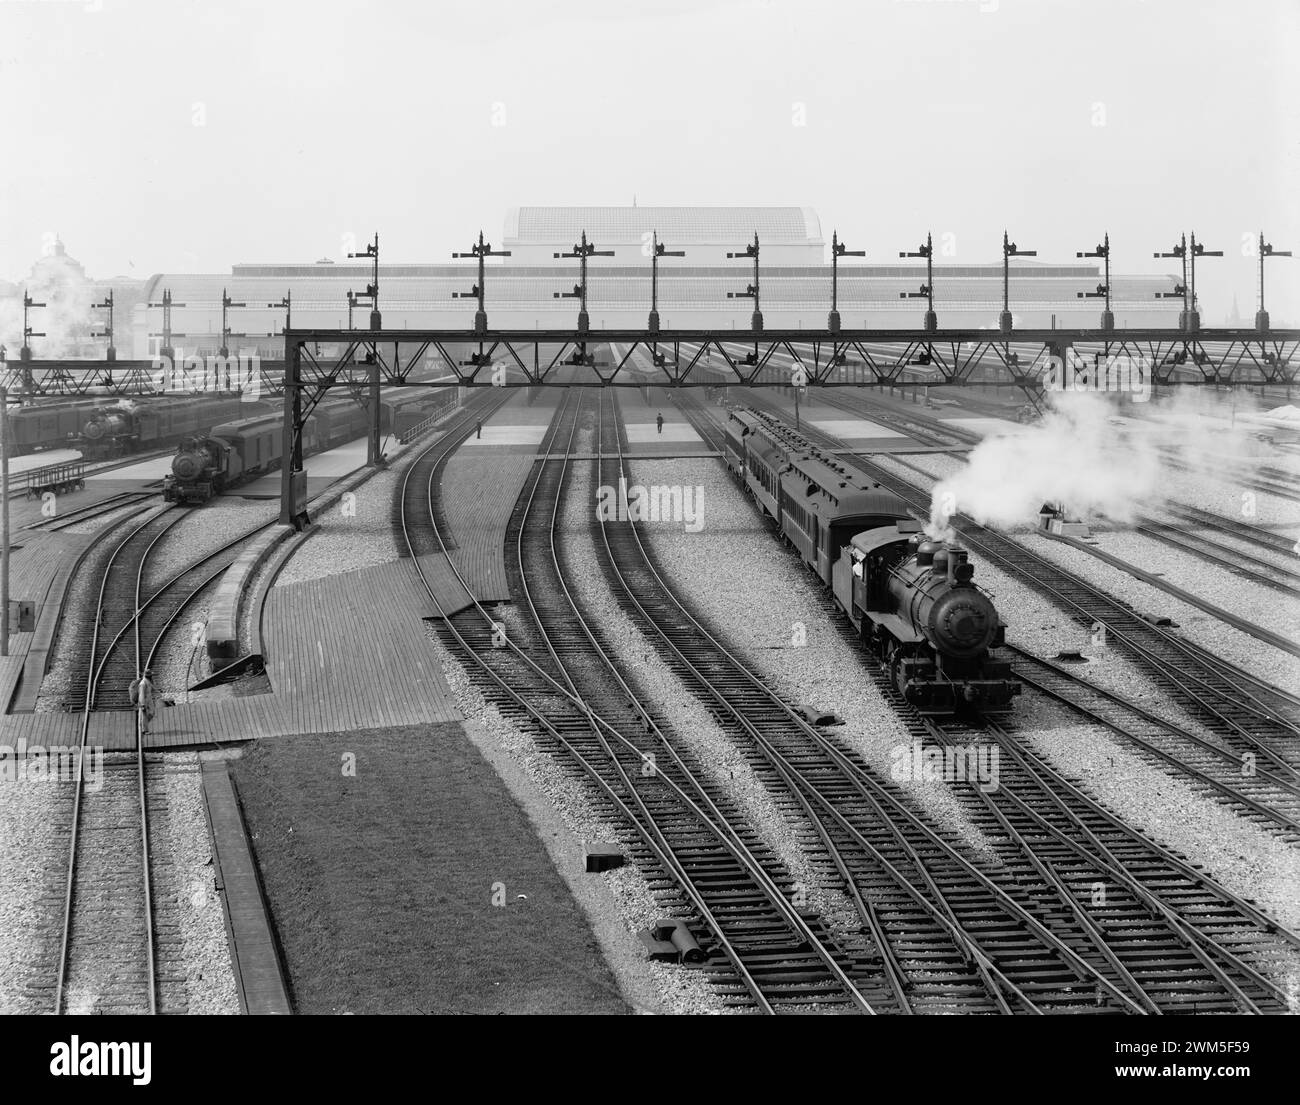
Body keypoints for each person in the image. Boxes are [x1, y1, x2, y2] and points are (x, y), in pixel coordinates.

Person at [136, 668, 156, 734]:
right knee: (144, 715)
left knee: (152, 713)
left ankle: (143, 725)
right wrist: (142, 704)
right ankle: (144, 730)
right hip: (144, 701)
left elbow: (151, 688)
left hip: (149, 700)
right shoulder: (143, 684)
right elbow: (141, 694)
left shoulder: (148, 681)